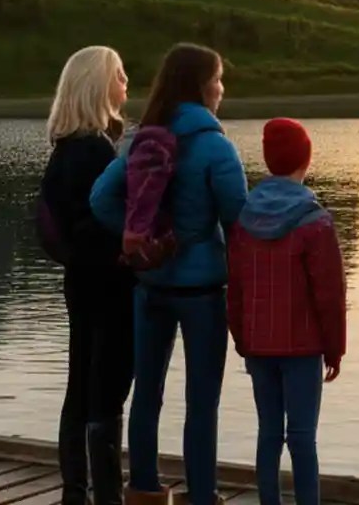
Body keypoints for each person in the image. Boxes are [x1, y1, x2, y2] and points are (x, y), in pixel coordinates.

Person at [90, 43, 248, 505]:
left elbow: (101, 198)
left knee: (147, 394)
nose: (222, 88)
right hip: (201, 293)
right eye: (218, 79)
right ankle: (202, 494)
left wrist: (140, 241)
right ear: (201, 87)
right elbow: (238, 218)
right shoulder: (216, 147)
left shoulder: (145, 137)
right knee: (202, 401)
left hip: (151, 286)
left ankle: (143, 488)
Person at [227, 118, 347, 505]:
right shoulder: (315, 222)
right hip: (303, 346)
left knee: (268, 433)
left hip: (259, 344)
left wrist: (241, 339)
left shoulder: (243, 221)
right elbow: (329, 294)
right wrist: (335, 348)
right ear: (305, 162)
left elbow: (237, 288)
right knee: (301, 436)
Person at [39, 45, 137, 505]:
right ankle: (107, 496)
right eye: (119, 75)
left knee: (79, 384)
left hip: (78, 280)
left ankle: (74, 491)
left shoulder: (62, 150)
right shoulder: (97, 151)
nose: (126, 83)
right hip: (110, 284)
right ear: (100, 85)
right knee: (107, 391)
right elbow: (98, 221)